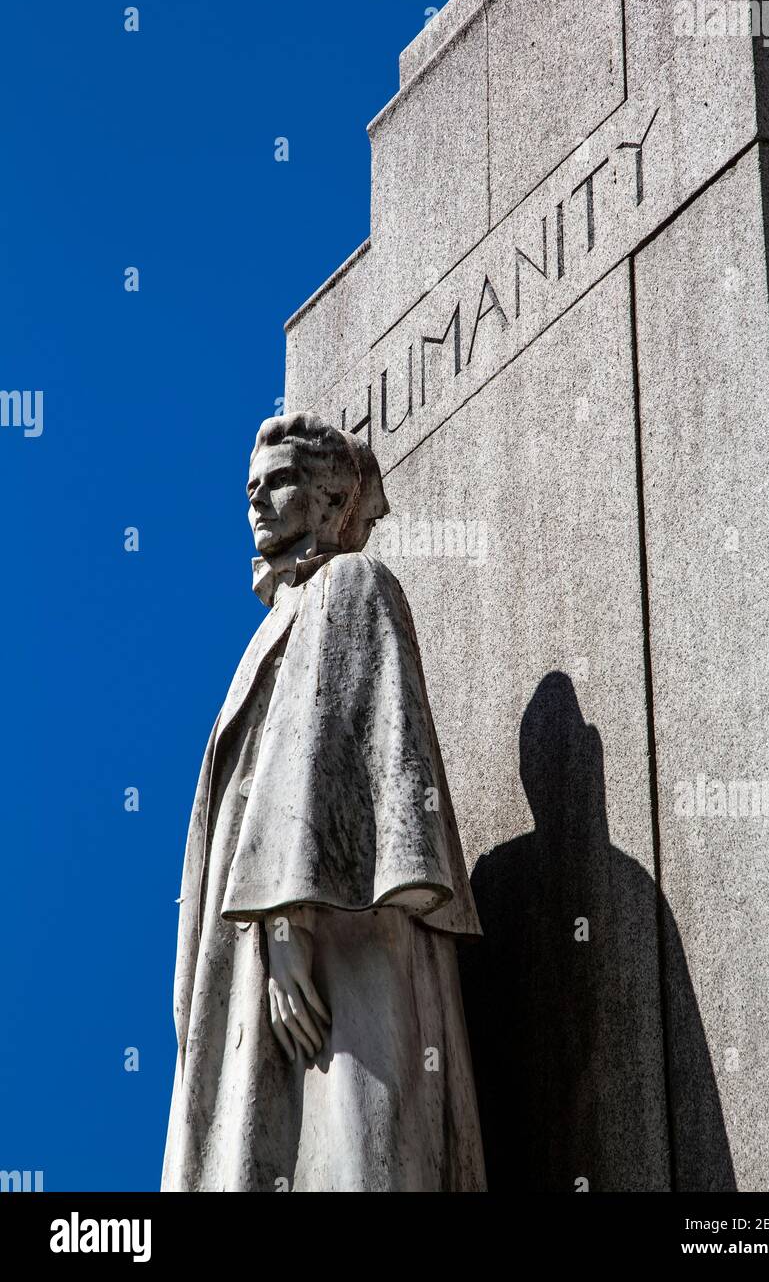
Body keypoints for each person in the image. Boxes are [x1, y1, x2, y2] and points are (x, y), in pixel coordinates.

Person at [162, 412, 486, 1192]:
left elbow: (330, 753)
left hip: (344, 929)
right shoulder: (268, 635)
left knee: (362, 1147)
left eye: (281, 483)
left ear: (329, 492)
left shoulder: (350, 582)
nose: (259, 504)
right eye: (251, 489)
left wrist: (286, 920)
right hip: (267, 946)